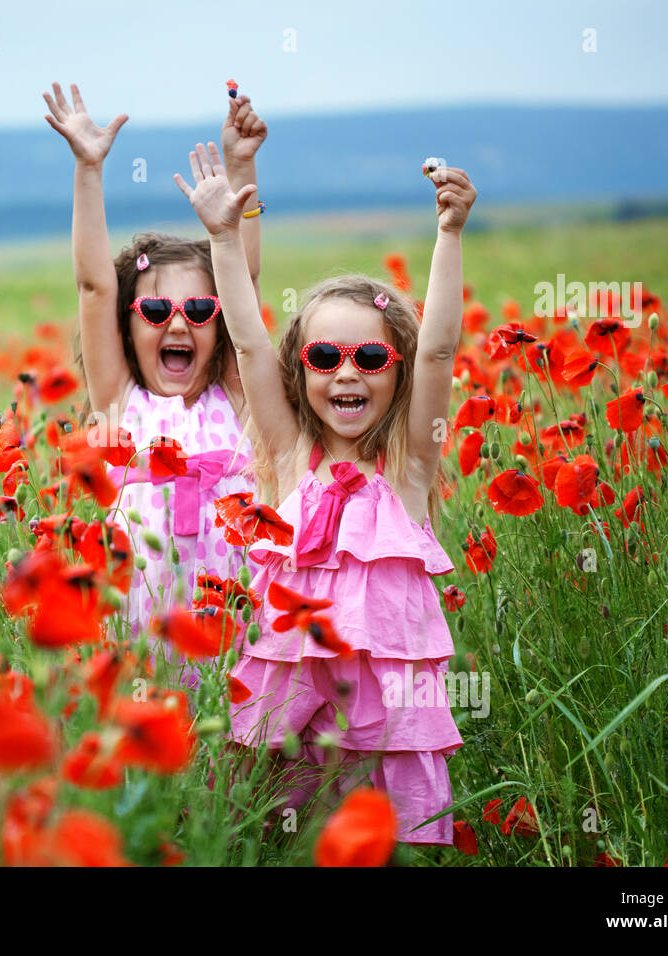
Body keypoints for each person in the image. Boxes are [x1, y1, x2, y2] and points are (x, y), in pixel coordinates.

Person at [174, 140, 477, 844]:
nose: (348, 373)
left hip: (386, 726)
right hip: (293, 712)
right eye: (324, 357)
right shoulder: (288, 458)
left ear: (395, 373)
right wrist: (222, 236)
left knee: (382, 839)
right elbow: (247, 345)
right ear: (300, 370)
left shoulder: (407, 473)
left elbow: (437, 349)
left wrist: (449, 233)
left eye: (371, 357)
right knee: (287, 836)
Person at [42, 82, 267, 678]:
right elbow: (94, 286)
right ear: (128, 325)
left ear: (220, 326)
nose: (178, 324)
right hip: (143, 637)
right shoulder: (119, 403)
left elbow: (243, 280)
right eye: (156, 312)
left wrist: (242, 167)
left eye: (199, 312)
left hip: (235, 628)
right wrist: (88, 170)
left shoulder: (238, 397)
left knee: (235, 751)